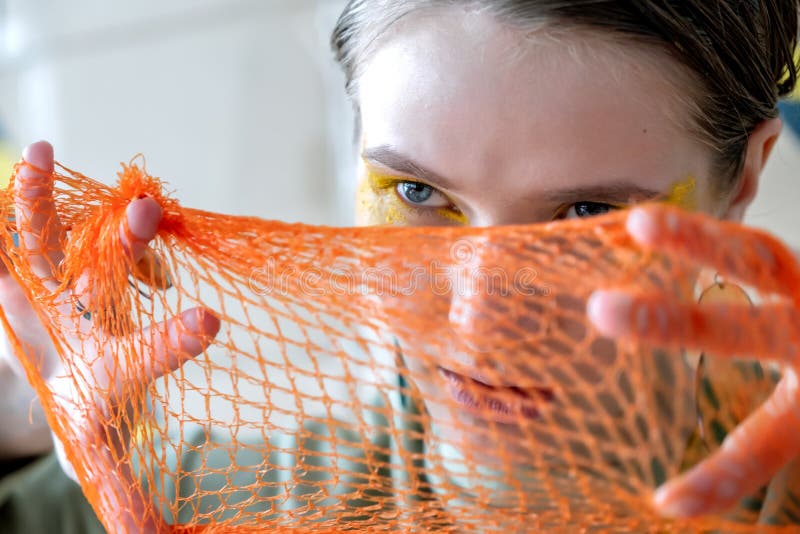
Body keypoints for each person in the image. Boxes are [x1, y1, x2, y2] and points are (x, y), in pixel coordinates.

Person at [2, 0, 800, 530]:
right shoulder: (264, 496)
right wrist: (28, 432)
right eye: (417, 191)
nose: (478, 327)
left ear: (745, 180)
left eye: (589, 217)